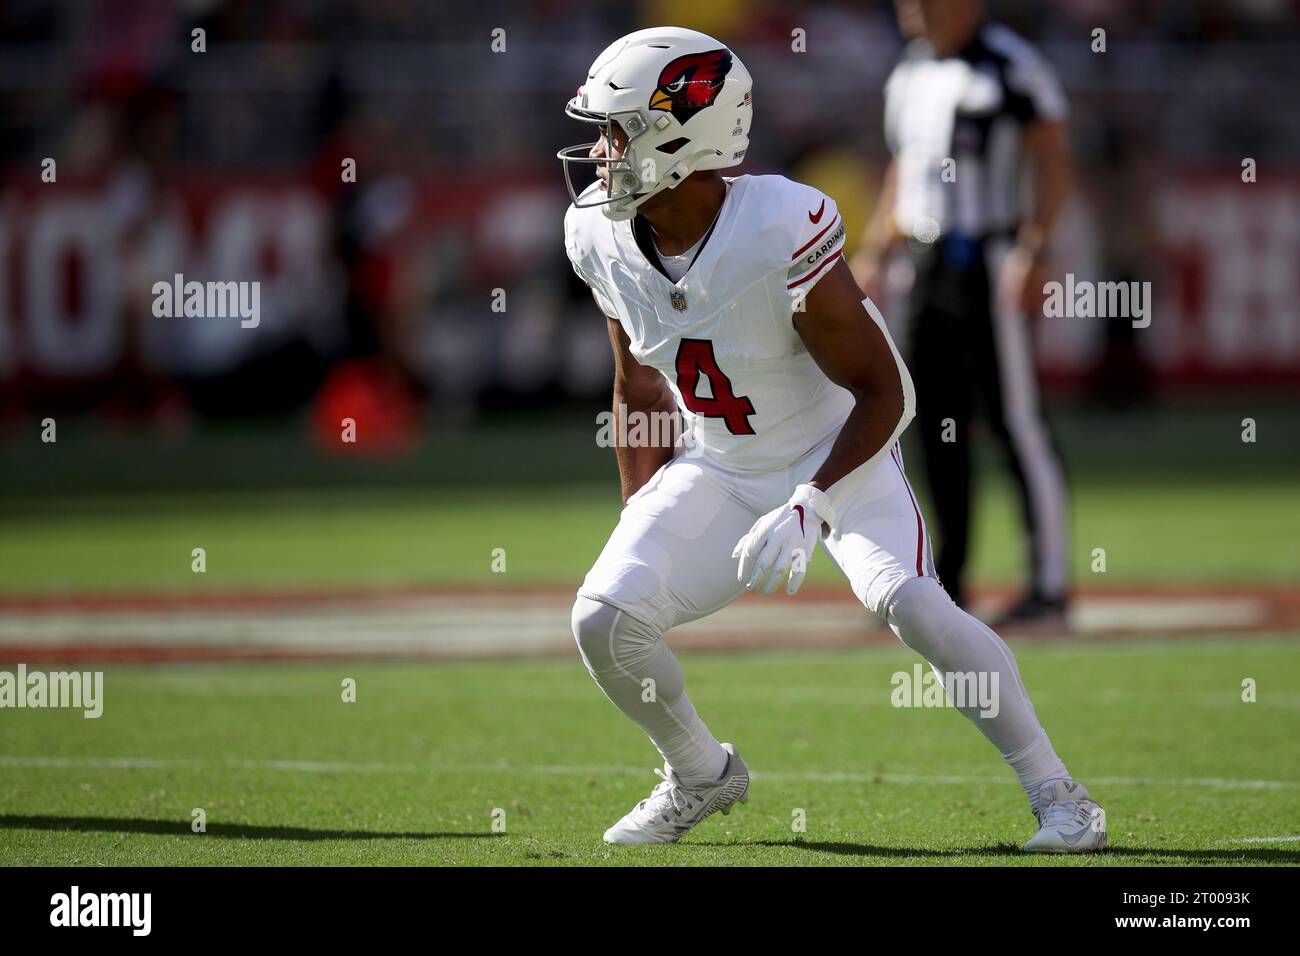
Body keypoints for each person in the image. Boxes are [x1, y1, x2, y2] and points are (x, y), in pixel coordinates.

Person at [558, 26, 1105, 852]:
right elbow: (636, 386)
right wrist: (640, 512)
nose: (600, 153)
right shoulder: (597, 234)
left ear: (683, 136)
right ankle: (700, 772)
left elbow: (887, 391)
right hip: (722, 465)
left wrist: (814, 501)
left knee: (916, 605)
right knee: (602, 619)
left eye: (617, 130)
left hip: (836, 455)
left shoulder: (777, 224)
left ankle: (1061, 796)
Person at [850, 0, 1075, 626]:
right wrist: (876, 249)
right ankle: (946, 582)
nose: (909, 9)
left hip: (990, 257)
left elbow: (1052, 156)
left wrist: (1035, 247)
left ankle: (1049, 586)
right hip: (922, 263)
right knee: (931, 425)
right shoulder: (908, 71)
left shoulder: (1012, 66)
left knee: (1015, 420)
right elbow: (904, 168)